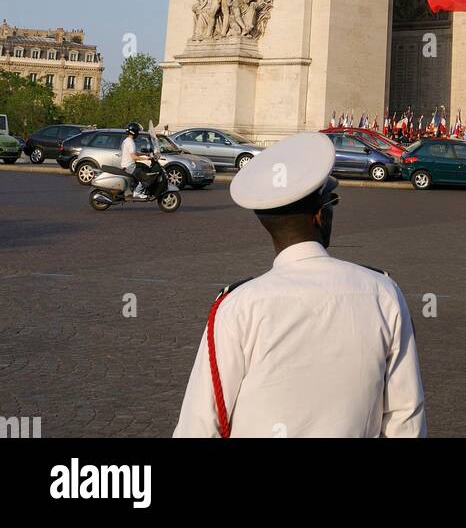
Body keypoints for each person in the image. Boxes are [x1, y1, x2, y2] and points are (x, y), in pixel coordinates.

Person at [173, 132, 426, 439]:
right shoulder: (383, 294)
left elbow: (200, 425)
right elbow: (406, 419)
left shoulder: (237, 306)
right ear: (320, 215)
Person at [120, 122, 153, 199]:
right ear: (134, 132)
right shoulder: (130, 142)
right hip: (130, 166)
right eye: (137, 131)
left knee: (145, 167)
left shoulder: (126, 140)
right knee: (146, 177)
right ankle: (137, 192)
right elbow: (134, 157)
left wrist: (145, 154)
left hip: (127, 165)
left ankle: (137, 187)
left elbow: (134, 153)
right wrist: (146, 159)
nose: (138, 133)